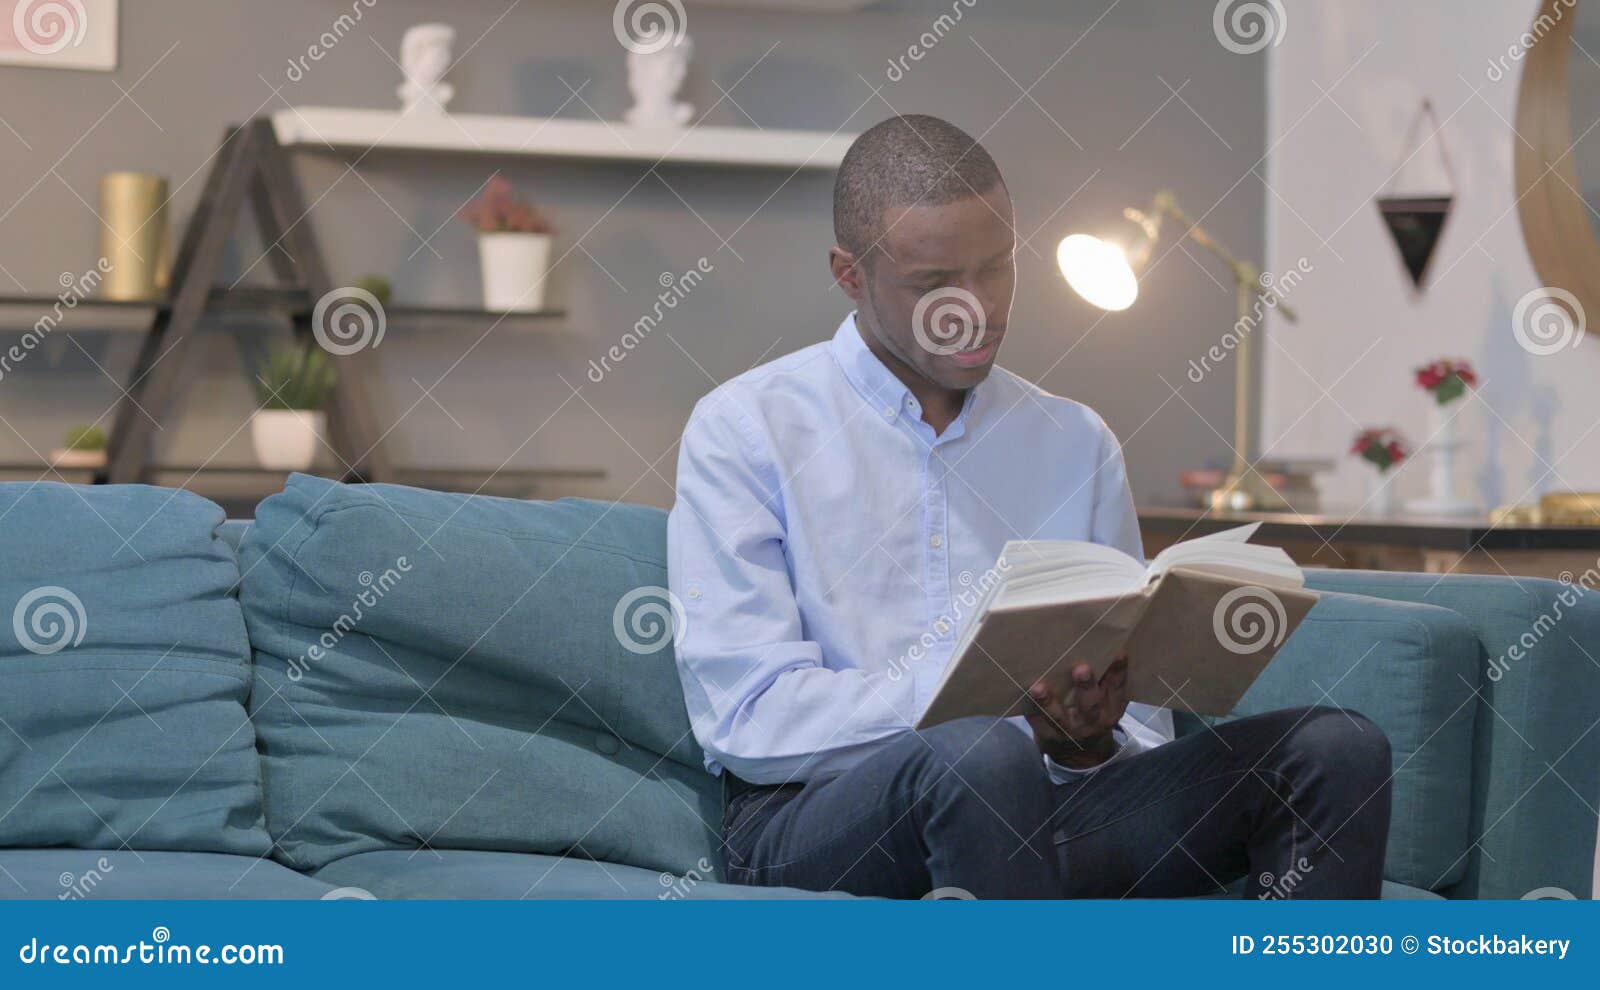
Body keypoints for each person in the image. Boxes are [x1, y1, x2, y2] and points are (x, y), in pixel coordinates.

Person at [667, 114, 1392, 899]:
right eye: (932, 283)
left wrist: (1082, 737)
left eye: (997, 268)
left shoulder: (1075, 440)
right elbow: (750, 719)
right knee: (981, 754)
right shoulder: (747, 429)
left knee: (1334, 748)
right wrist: (972, 702)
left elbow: (1137, 738)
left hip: (1043, 809)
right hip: (813, 822)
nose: (975, 308)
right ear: (850, 275)